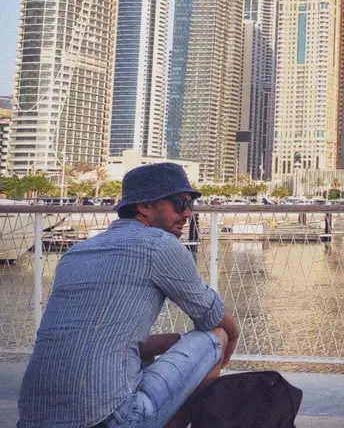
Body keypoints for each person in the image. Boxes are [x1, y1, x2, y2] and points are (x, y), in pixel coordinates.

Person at [18, 162, 239, 428]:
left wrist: (178, 340)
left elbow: (104, 338)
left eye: (190, 205)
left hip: (35, 419)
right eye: (180, 203)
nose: (188, 214)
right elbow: (211, 316)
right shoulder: (160, 245)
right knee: (216, 336)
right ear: (144, 206)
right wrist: (232, 338)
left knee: (141, 352)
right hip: (112, 419)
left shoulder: (76, 252)